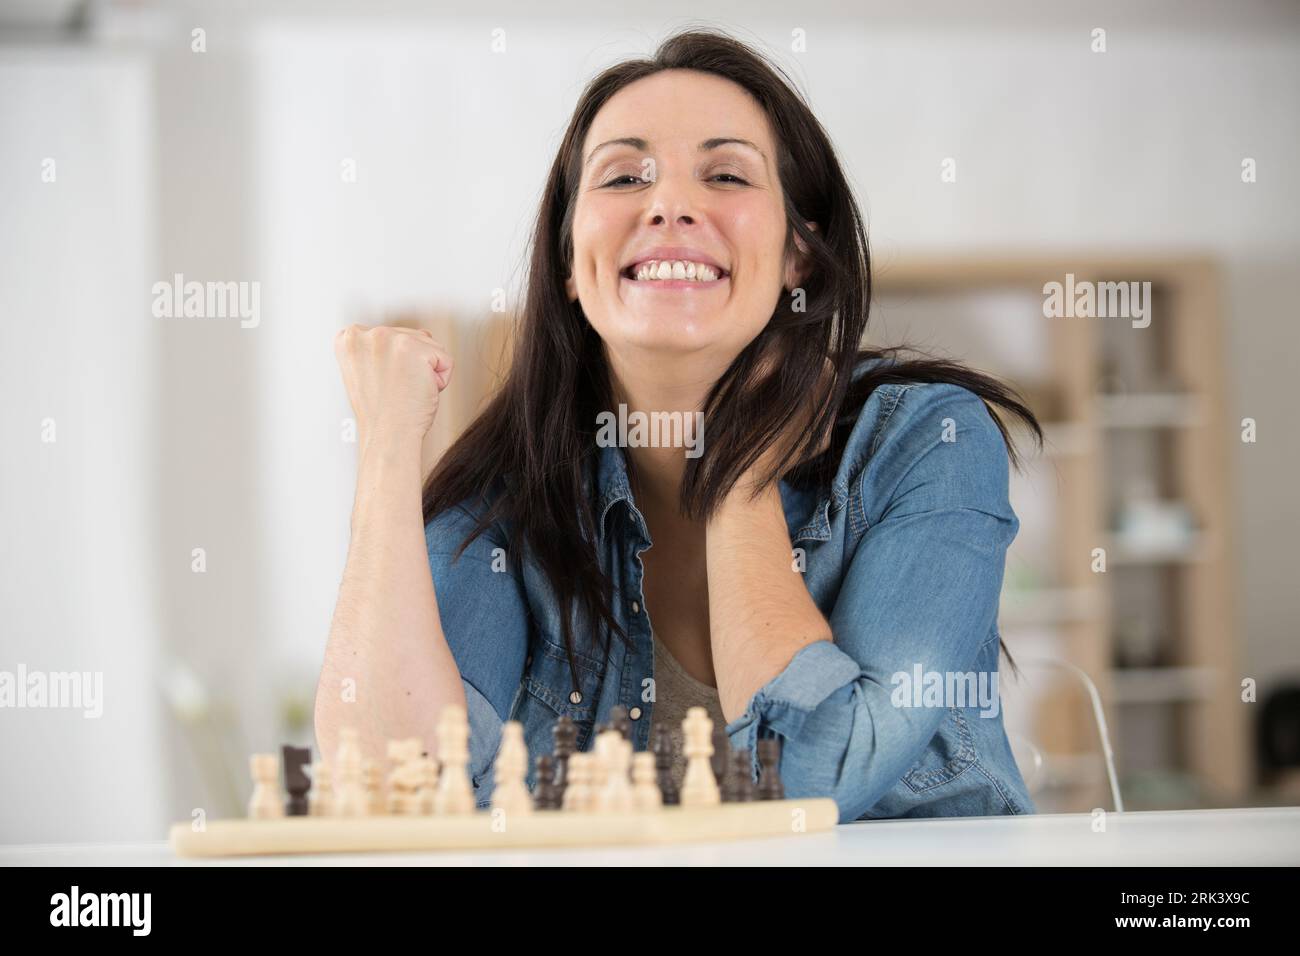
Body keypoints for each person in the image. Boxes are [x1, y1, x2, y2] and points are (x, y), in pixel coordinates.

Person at [317, 28, 1042, 821]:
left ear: (800, 252)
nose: (669, 205)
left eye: (726, 174)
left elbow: (809, 780)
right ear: (568, 259)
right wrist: (387, 447)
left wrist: (739, 472)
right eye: (624, 176)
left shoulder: (925, 440)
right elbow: (396, 785)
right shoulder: (512, 492)